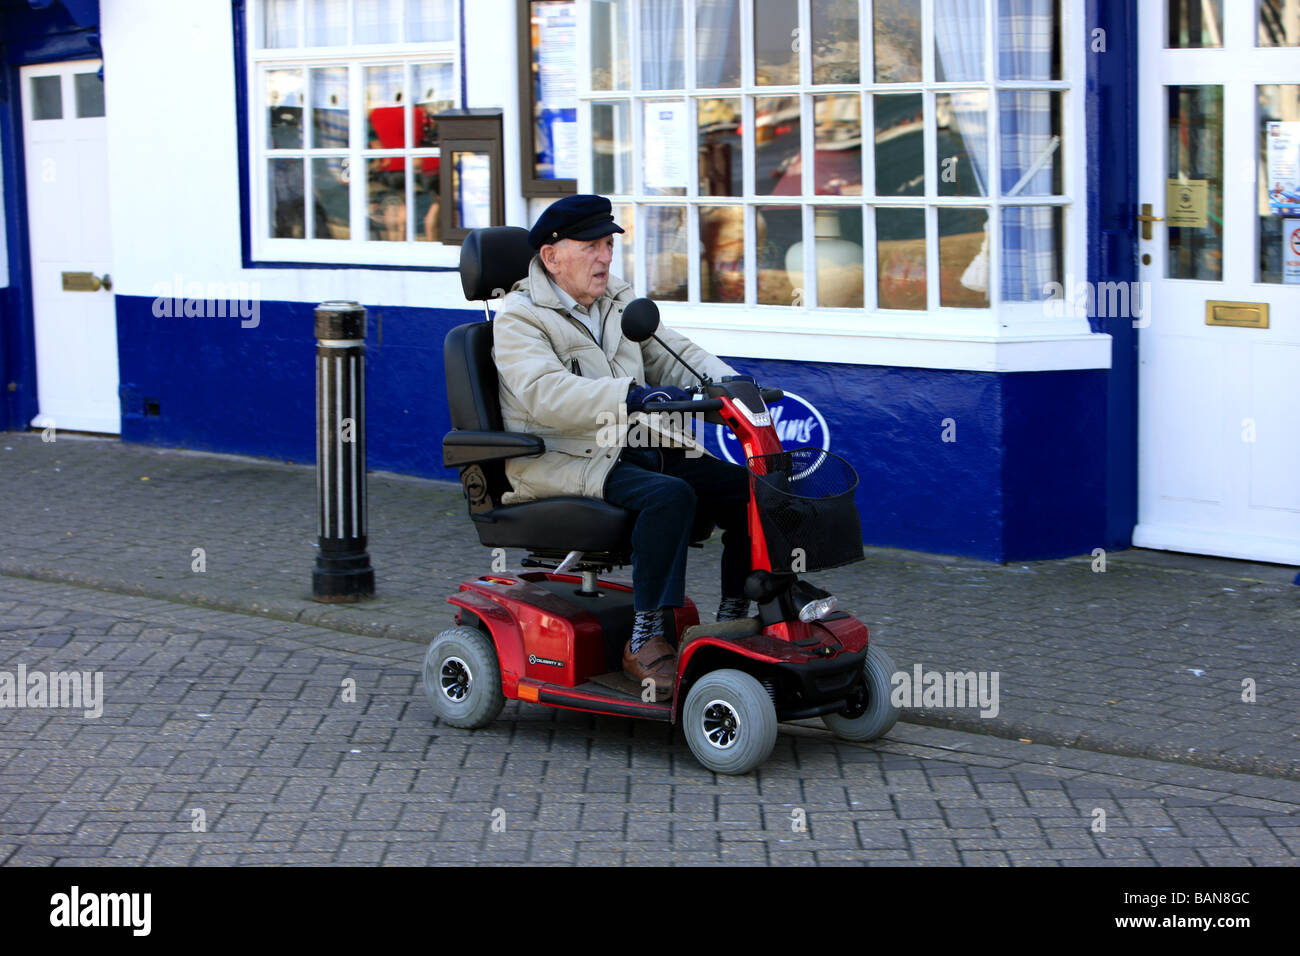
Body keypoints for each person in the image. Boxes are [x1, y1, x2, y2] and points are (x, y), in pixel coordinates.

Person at [492, 195, 753, 695]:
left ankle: (731, 619)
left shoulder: (615, 299)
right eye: (591, 246)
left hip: (627, 443)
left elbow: (675, 353)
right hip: (560, 456)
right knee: (669, 496)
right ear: (551, 256)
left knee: (745, 488)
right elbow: (545, 395)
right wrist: (630, 395)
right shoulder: (519, 319)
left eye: (609, 244)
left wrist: (732, 383)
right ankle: (644, 638)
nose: (605, 256)